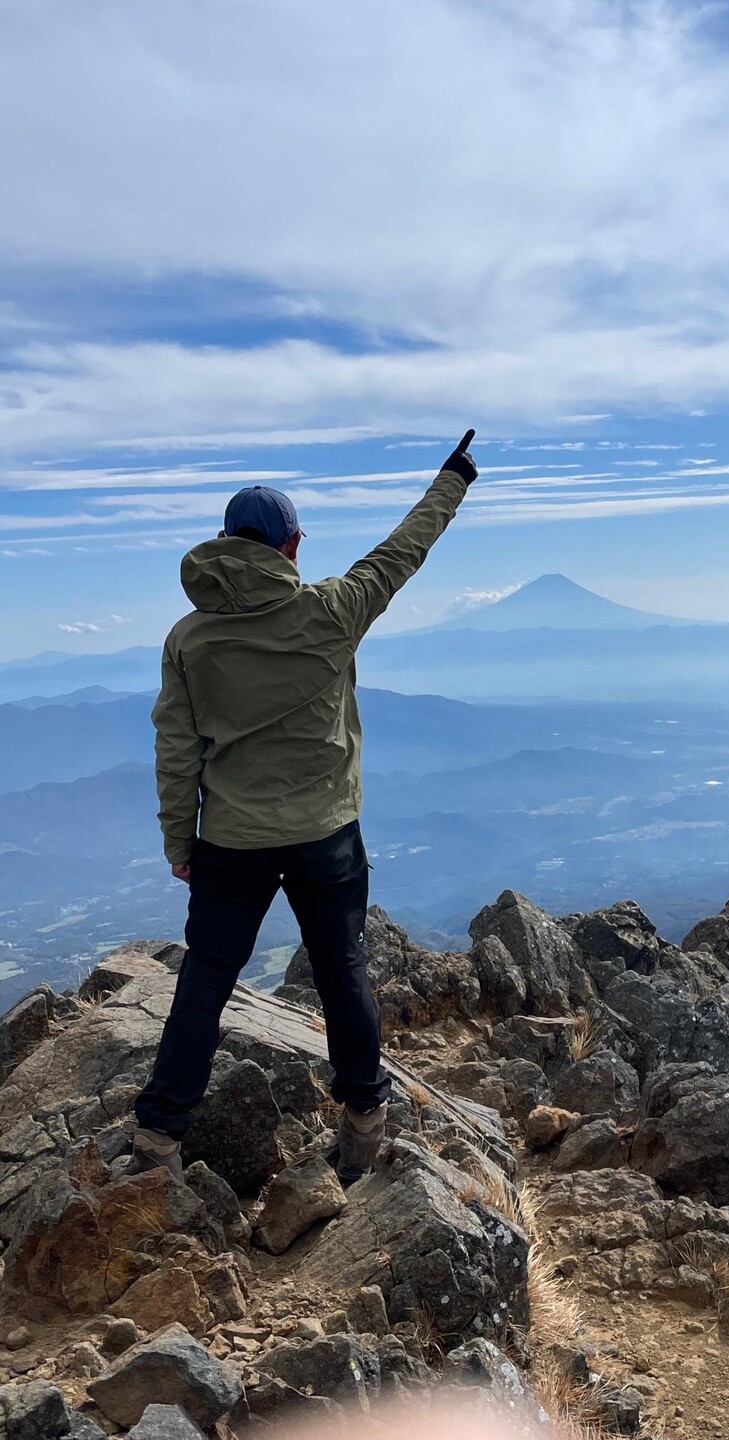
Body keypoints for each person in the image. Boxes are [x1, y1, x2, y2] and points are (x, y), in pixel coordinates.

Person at [131, 430, 479, 1185]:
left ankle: (158, 1140)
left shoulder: (189, 639)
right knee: (342, 970)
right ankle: (363, 1124)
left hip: (229, 840)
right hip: (325, 834)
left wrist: (177, 840)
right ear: (291, 549)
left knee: (206, 979)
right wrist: (453, 478)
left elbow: (175, 748)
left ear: (225, 546)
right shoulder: (332, 611)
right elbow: (402, 551)